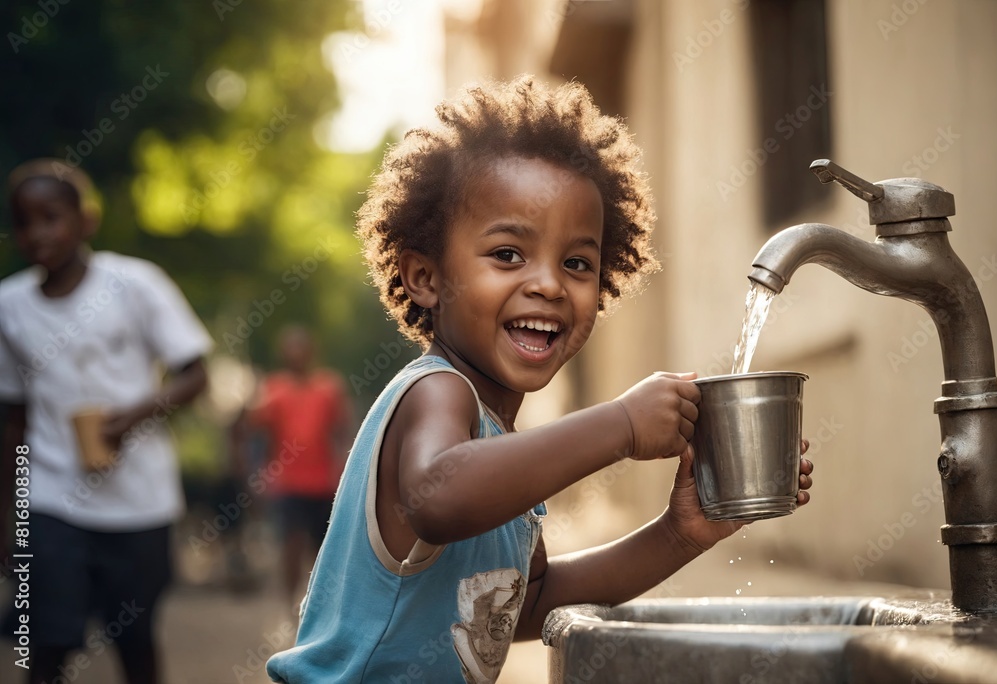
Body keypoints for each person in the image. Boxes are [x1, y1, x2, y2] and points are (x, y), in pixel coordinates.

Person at [265, 76, 814, 684]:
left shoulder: (501, 447)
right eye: (507, 254)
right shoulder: (436, 393)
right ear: (424, 276)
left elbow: (530, 601)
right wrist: (622, 424)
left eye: (577, 263)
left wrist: (679, 534)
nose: (549, 284)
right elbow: (437, 498)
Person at [0, 160, 212, 684]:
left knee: (135, 640)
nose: (38, 233)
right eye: (24, 222)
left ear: (85, 220)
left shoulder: (134, 285)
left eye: (51, 217)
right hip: (49, 499)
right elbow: (13, 418)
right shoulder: (9, 307)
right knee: (44, 642)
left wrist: (133, 416)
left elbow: (195, 374)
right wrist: (7, 512)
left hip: (139, 504)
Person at [246, 325, 352, 607]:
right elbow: (256, 432)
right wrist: (257, 474)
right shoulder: (273, 388)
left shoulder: (329, 387)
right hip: (288, 482)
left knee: (325, 547)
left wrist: (346, 470)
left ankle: (322, 603)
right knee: (291, 543)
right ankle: (290, 605)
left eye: (301, 348)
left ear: (311, 352)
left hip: (324, 481)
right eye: (290, 348)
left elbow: (342, 430)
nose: (296, 354)